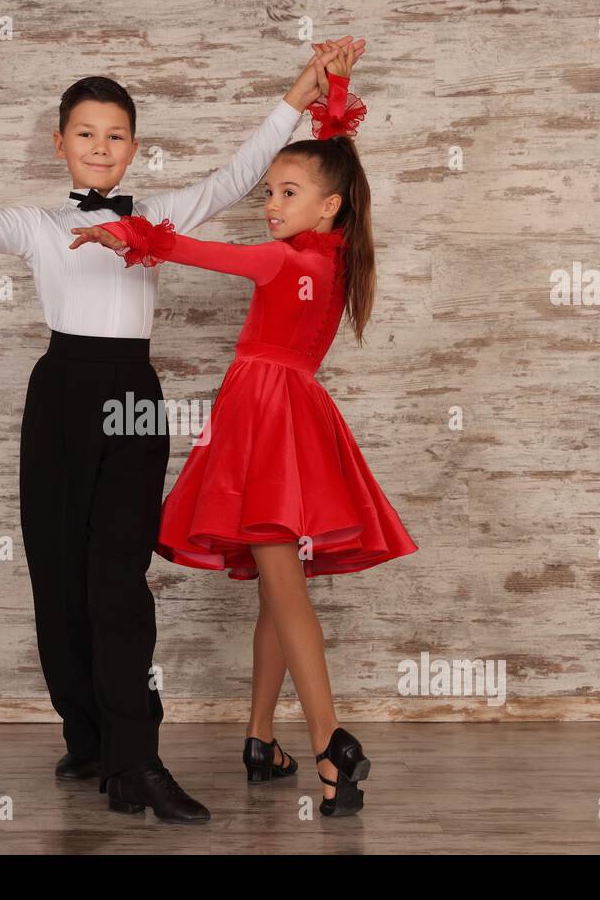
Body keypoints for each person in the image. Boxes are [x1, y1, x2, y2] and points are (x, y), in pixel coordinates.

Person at [0, 39, 366, 823]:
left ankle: (136, 759)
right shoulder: (36, 224)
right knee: (57, 573)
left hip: (134, 396)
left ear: (134, 148)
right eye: (86, 134)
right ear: (61, 144)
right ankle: (87, 736)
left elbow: (240, 173)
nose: (101, 148)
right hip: (60, 395)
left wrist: (295, 95)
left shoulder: (159, 217)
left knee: (118, 578)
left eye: (116, 136)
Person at [69, 50, 417, 818]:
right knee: (276, 580)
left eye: (287, 192)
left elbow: (203, 251)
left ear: (328, 208)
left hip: (265, 421)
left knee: (284, 587)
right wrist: (334, 95)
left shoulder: (283, 258)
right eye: (269, 191)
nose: (270, 203)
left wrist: (133, 232)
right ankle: (261, 739)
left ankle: (332, 742)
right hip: (295, 416)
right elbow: (337, 155)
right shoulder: (332, 260)